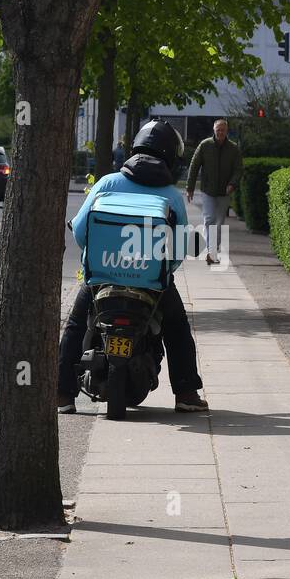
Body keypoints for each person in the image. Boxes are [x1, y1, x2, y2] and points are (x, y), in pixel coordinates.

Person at [58, 119, 209, 415]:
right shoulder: (171, 195)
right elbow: (179, 247)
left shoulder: (107, 183)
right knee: (177, 328)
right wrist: (163, 271)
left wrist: (99, 260)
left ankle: (63, 395)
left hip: (101, 278)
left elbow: (80, 232)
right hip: (152, 284)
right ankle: (186, 393)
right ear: (170, 156)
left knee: (75, 326)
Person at [185, 119, 242, 264]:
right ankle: (211, 252)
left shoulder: (233, 149)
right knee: (209, 218)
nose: (220, 132)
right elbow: (194, 166)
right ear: (214, 130)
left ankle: (213, 250)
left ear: (226, 131)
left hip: (224, 191)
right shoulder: (205, 145)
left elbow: (238, 169)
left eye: (223, 130)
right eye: (218, 130)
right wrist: (190, 188)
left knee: (219, 222)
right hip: (208, 190)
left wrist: (232, 184)